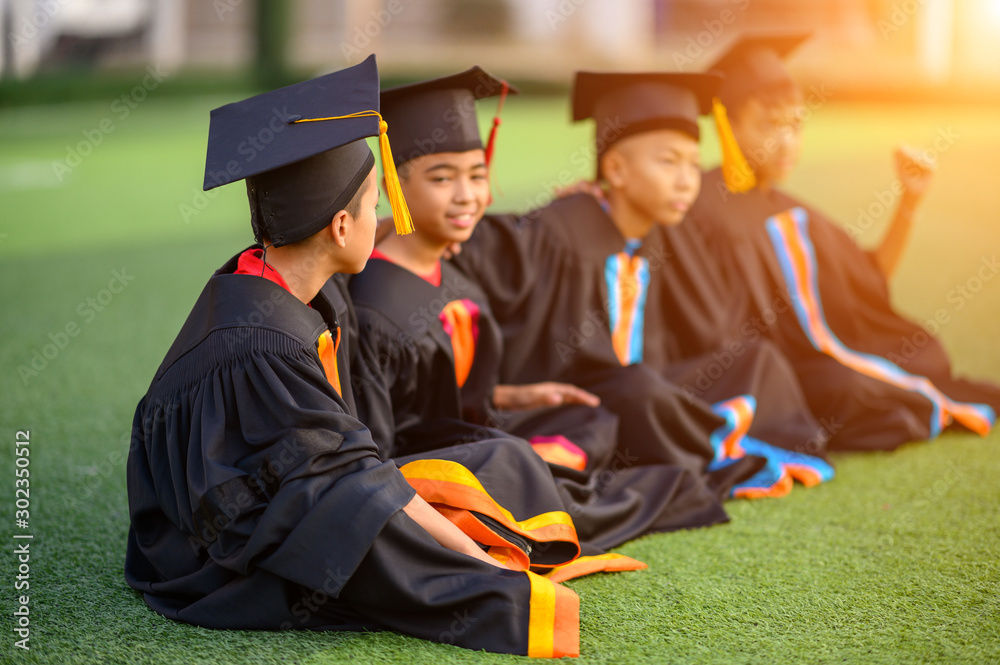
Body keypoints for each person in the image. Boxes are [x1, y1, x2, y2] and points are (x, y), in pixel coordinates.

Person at [124, 55, 592, 658]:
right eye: (376, 205)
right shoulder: (258, 342)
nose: (385, 217)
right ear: (341, 226)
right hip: (215, 544)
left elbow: (336, 460)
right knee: (377, 529)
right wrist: (470, 556)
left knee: (480, 467)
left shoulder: (286, 286)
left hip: (286, 485)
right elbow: (344, 477)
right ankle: (492, 571)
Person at [350, 66, 746, 552]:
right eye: (441, 177)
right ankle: (527, 488)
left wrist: (516, 397)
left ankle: (536, 479)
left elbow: (455, 390)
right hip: (426, 462)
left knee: (594, 418)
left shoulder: (452, 272)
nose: (467, 195)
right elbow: (379, 441)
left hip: (474, 435)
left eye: (477, 175)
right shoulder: (376, 303)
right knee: (521, 460)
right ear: (395, 186)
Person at [452, 69, 834, 497]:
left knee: (756, 360)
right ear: (615, 168)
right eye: (668, 162)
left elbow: (706, 320)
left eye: (692, 163)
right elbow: (464, 250)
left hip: (643, 388)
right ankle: (713, 447)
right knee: (640, 392)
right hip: (575, 403)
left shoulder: (661, 225)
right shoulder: (558, 230)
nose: (687, 180)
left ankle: (720, 440)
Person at [685, 32, 998, 449]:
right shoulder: (697, 203)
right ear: (729, 125)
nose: (786, 143)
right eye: (768, 125)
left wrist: (909, 201)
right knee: (844, 388)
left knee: (916, 353)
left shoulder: (793, 211)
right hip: (756, 378)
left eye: (795, 125)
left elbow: (869, 279)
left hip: (814, 368)